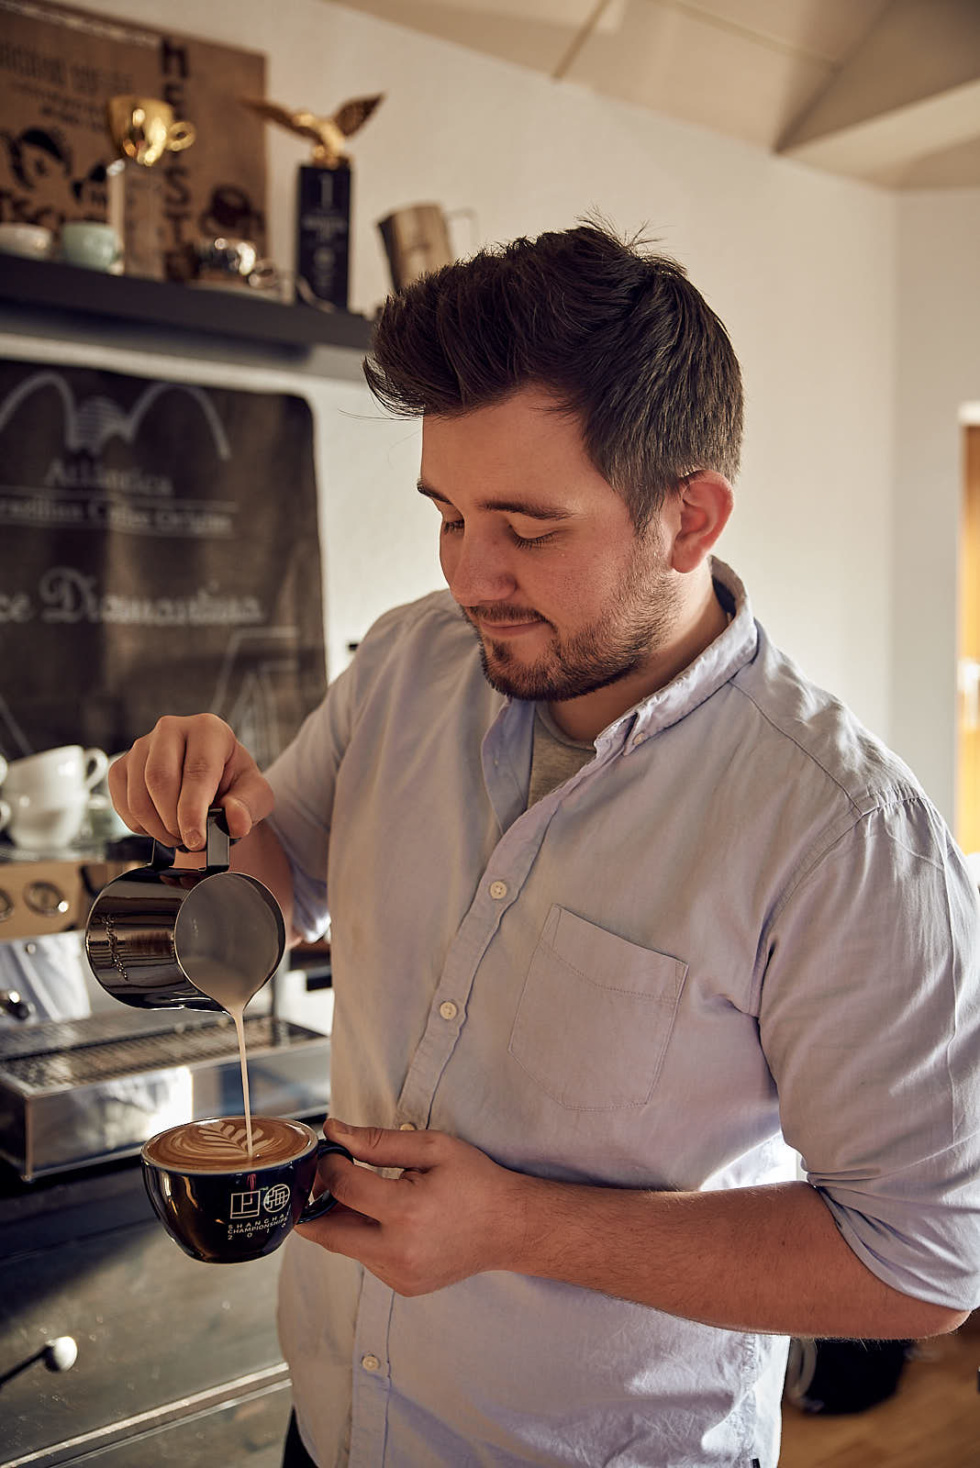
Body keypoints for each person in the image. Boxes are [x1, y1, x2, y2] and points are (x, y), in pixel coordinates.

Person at [108, 223, 980, 1468]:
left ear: (689, 517)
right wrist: (208, 818)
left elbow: (923, 1262)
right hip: (334, 1428)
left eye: (526, 527)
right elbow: (275, 889)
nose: (471, 575)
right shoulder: (404, 662)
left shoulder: (845, 835)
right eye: (447, 514)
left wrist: (519, 1227)